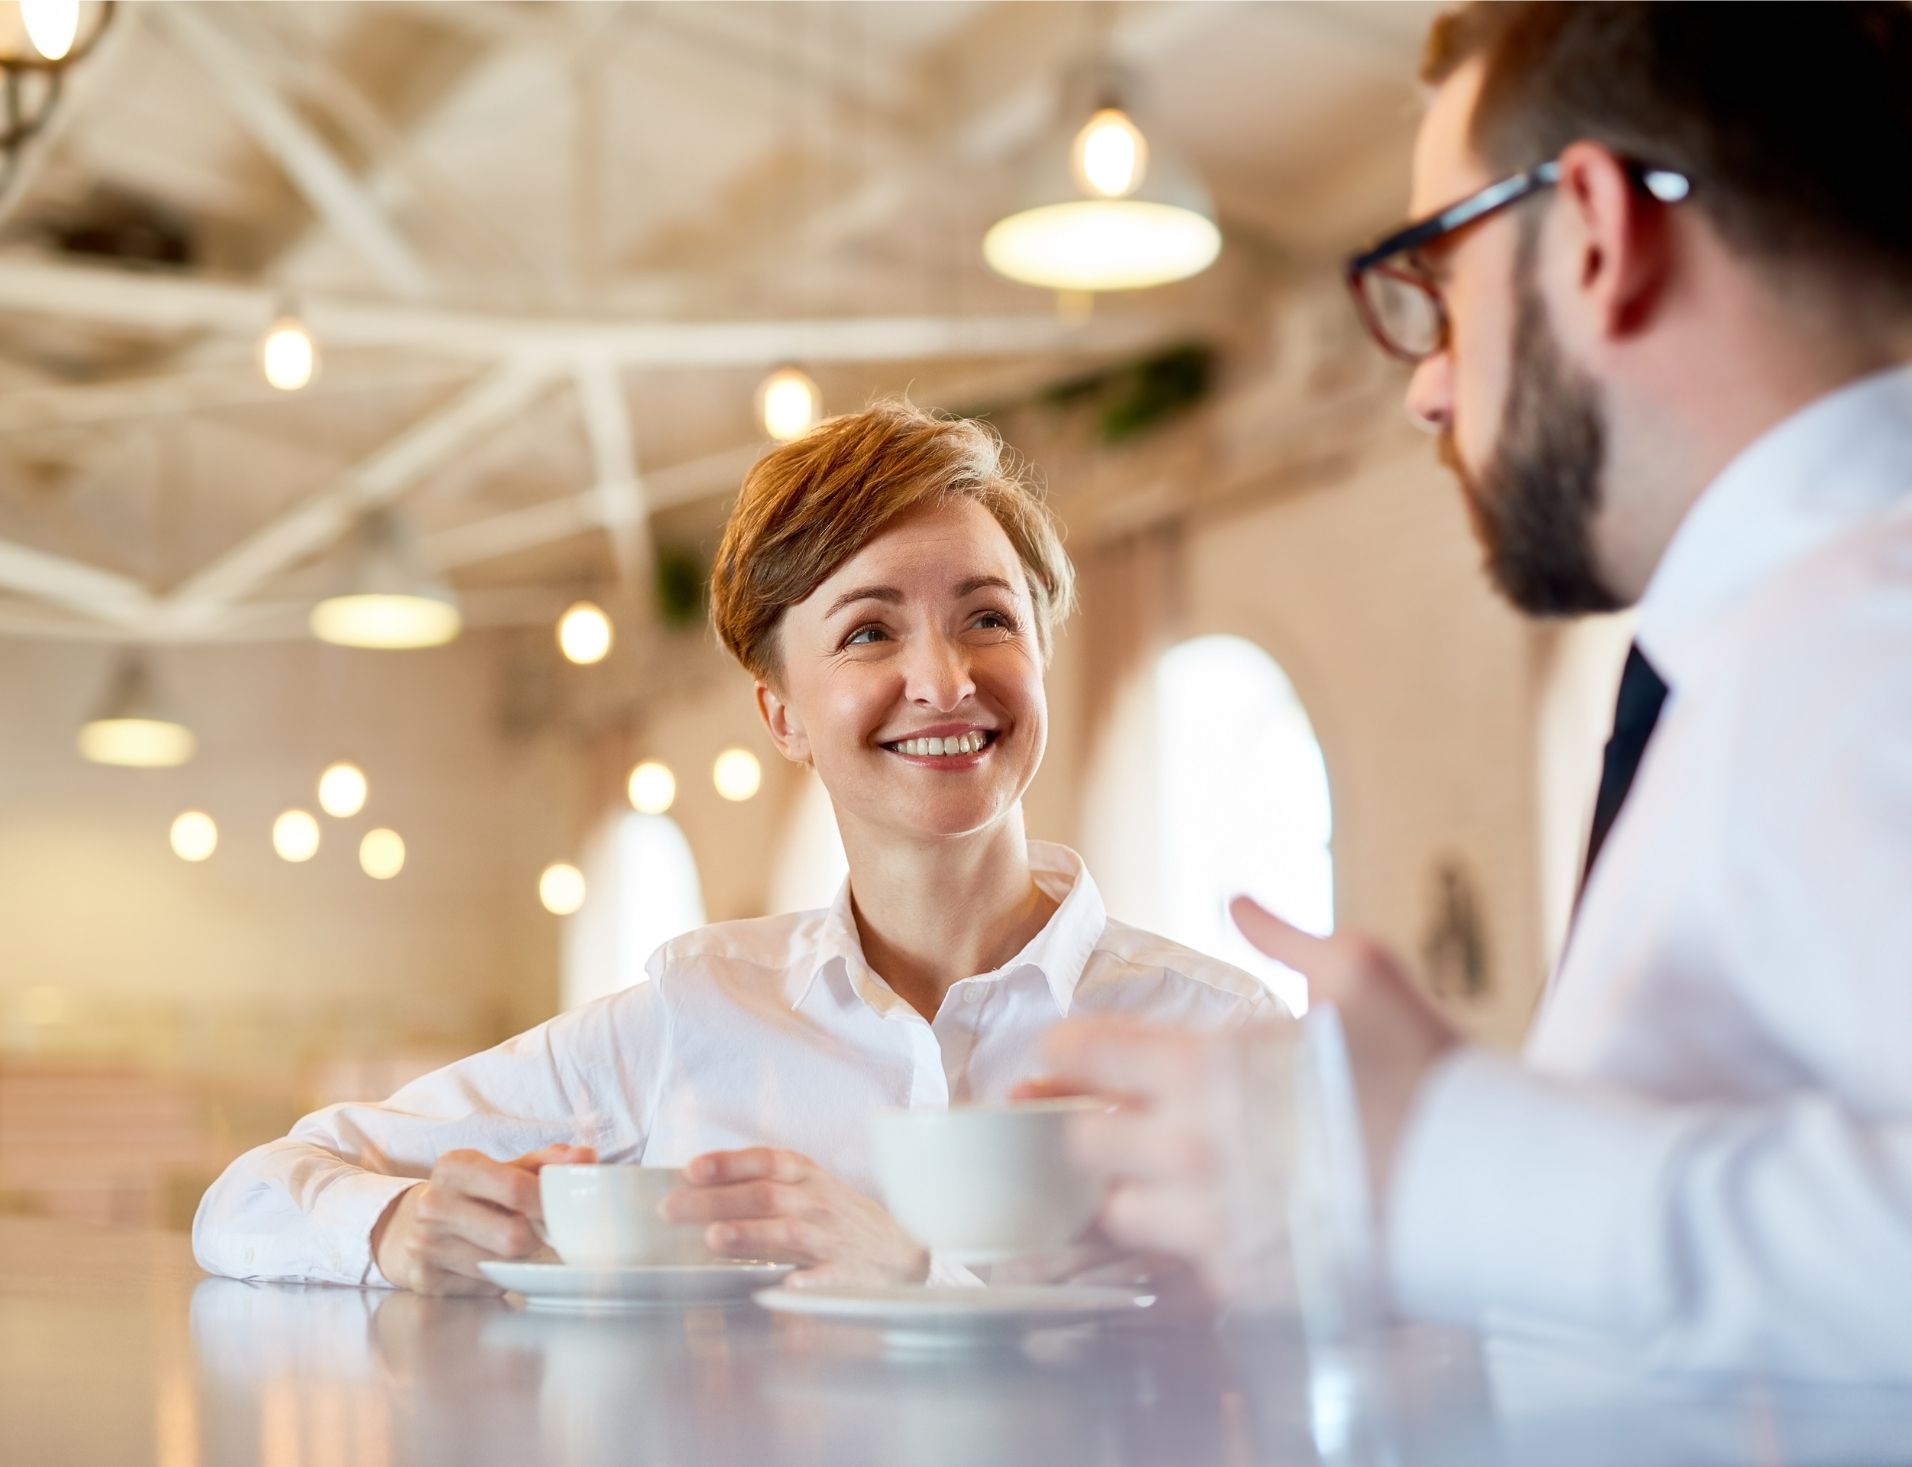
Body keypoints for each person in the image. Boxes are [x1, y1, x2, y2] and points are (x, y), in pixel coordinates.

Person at [1048, 1, 1912, 1379]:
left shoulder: (1868, 629)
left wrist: (1430, 1156)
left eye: (1438, 287)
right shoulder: (1764, 650)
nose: (1427, 392)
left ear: (1593, 232)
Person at [193, 401, 1279, 1294]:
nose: (945, 678)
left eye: (988, 618)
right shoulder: (689, 1021)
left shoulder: (1218, 1036)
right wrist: (391, 1227)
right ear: (783, 718)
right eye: (868, 631)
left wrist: (912, 1272)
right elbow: (249, 1194)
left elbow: (1351, 1350)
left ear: (1041, 653)